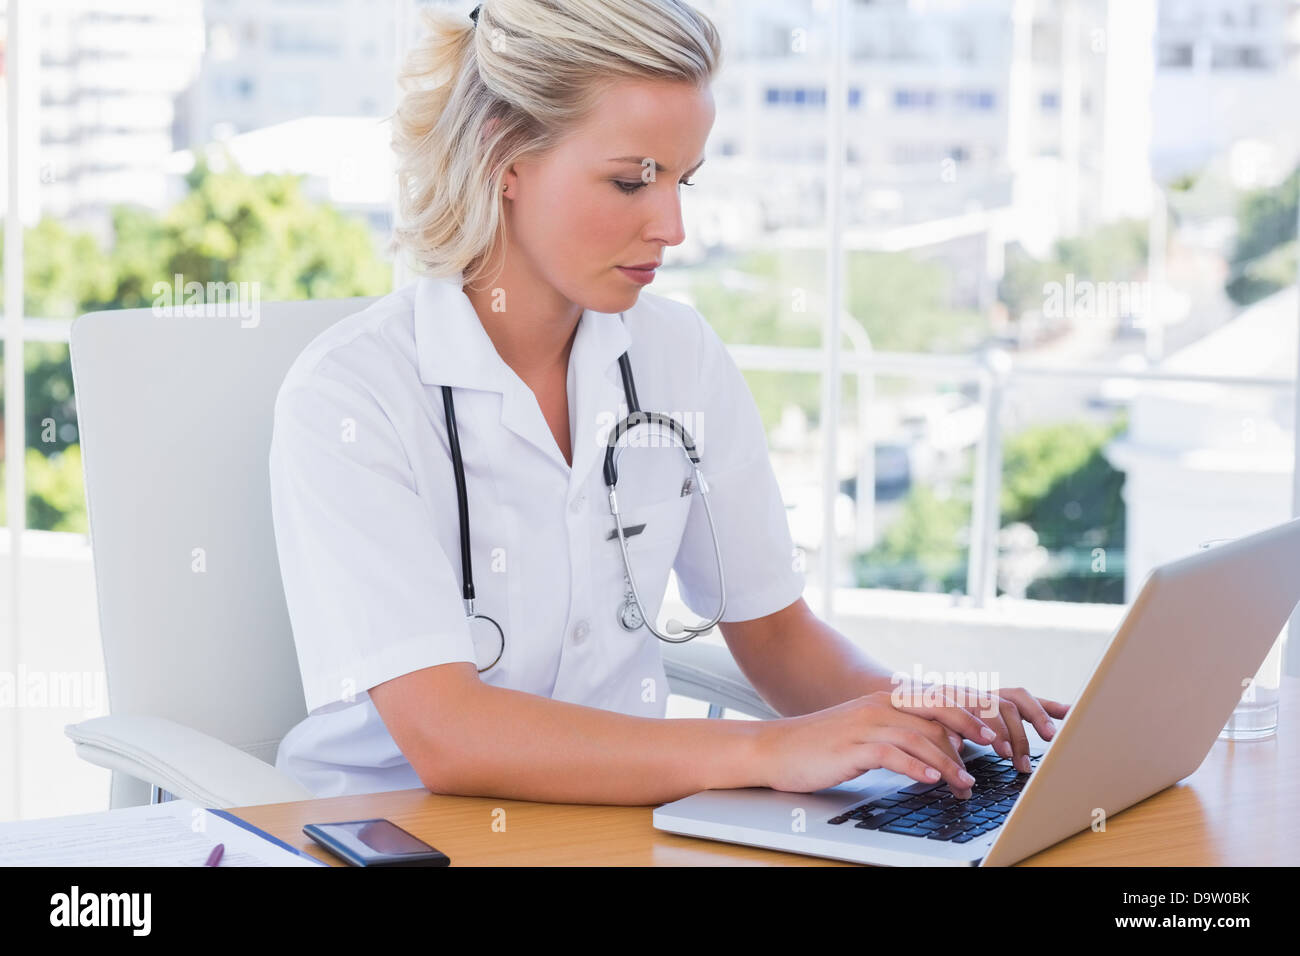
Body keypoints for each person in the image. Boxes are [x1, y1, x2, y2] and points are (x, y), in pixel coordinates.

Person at [268, 0, 1070, 803]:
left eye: (683, 180)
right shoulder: (352, 394)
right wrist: (767, 751)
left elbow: (776, 634)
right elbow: (450, 736)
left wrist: (925, 717)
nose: (673, 226)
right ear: (503, 155)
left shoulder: (677, 356)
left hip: (614, 828)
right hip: (390, 831)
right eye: (631, 181)